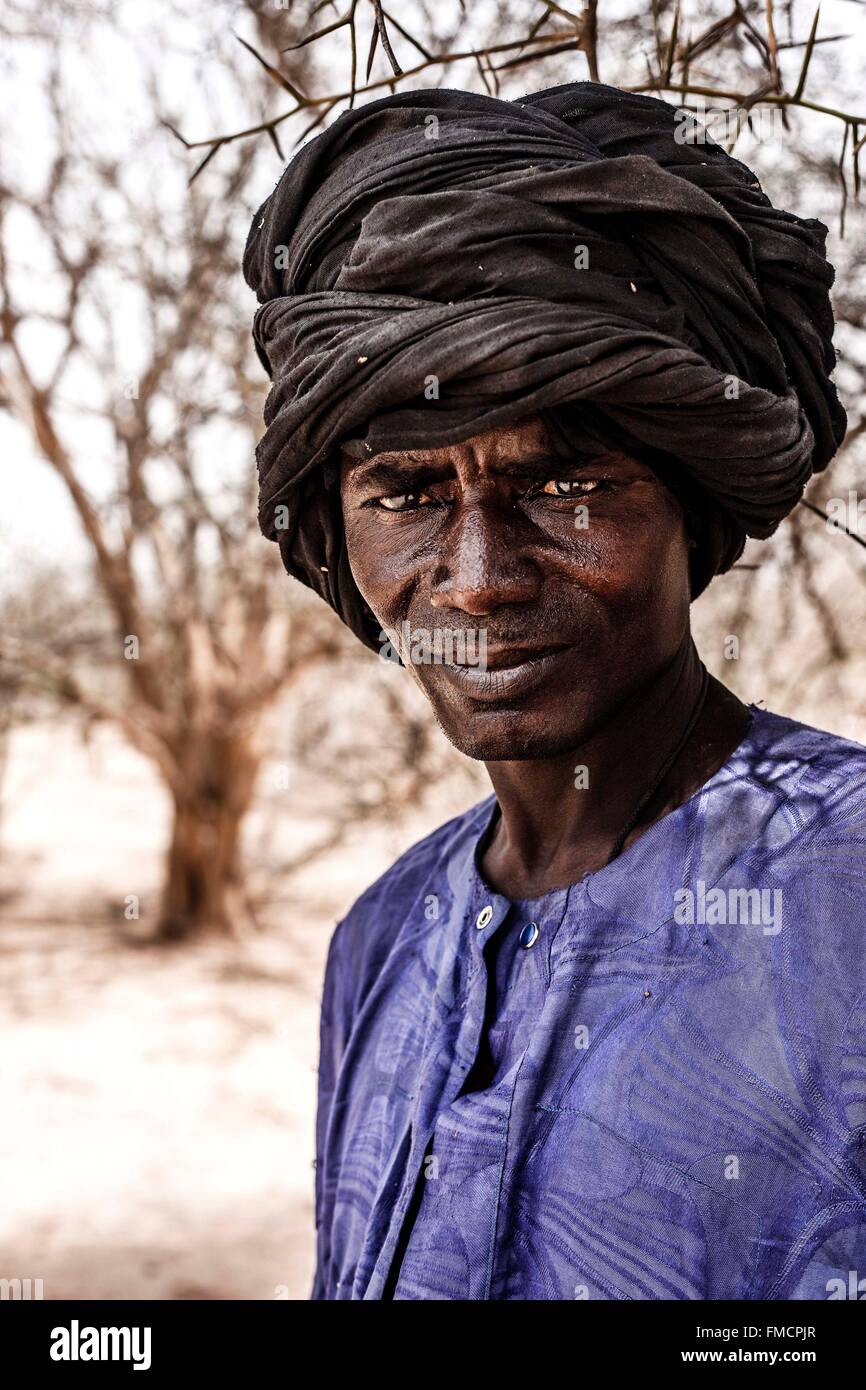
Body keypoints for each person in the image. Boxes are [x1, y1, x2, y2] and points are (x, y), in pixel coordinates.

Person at [243, 82, 866, 1300]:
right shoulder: (378, 941)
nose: (475, 583)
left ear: (688, 499)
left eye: (566, 485)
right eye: (408, 494)